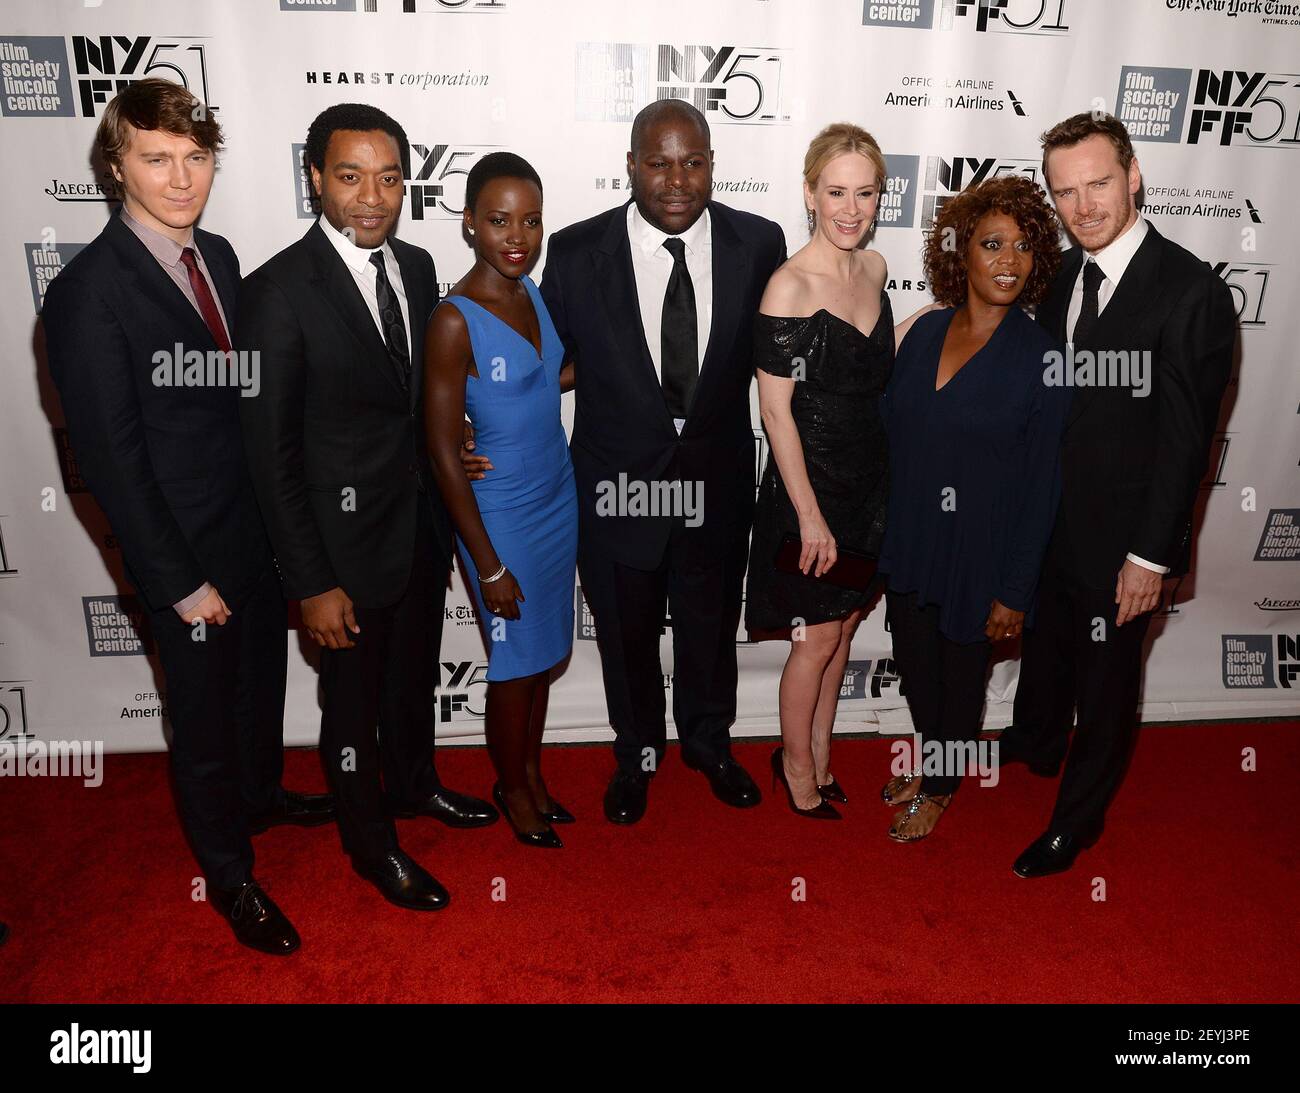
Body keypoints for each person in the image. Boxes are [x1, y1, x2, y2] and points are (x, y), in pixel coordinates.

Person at [42, 79, 334, 956]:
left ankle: (262, 795)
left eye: (195, 158)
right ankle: (231, 873)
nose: (179, 178)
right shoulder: (87, 293)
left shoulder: (224, 258)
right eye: (156, 158)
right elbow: (111, 461)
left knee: (258, 690)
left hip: (253, 534)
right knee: (202, 719)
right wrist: (177, 582)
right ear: (116, 165)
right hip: (186, 554)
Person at [238, 103, 497, 912]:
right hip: (340, 551)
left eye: (389, 178)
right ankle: (369, 843)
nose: (372, 197)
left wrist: (446, 448)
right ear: (314, 177)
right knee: (351, 711)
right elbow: (270, 454)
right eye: (350, 177)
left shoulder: (418, 267)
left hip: (420, 529)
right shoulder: (275, 292)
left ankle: (416, 786)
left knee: (412, 681)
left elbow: (408, 399)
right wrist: (310, 581)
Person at [531, 100, 786, 824]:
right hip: (617, 485)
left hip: (717, 480)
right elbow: (549, 364)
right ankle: (637, 753)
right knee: (626, 633)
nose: (677, 179)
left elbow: (787, 351)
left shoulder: (758, 243)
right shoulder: (579, 251)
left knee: (709, 628)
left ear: (711, 163)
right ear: (632, 166)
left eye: (693, 161)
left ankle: (709, 743)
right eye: (658, 162)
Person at [998, 113, 1236, 877]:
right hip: (1056, 521)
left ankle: (1077, 822)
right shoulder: (1066, 272)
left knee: (1104, 684)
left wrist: (1149, 556)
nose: (1084, 206)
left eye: (1099, 183)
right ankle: (1032, 743)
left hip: (1127, 537)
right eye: (1065, 192)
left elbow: (1186, 443)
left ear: (1133, 176)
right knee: (1047, 651)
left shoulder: (1189, 290)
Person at [877, 175, 1070, 842]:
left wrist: (1014, 590)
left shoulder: (1043, 359)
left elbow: (1044, 485)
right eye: (992, 244)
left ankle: (939, 784)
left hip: (979, 557)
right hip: (910, 541)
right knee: (919, 674)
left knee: (959, 687)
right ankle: (935, 760)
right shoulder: (926, 333)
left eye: (1022, 247)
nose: (1008, 260)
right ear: (963, 252)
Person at [745, 123, 903, 818]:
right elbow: (775, 413)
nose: (850, 208)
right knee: (813, 638)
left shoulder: (875, 269)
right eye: (835, 191)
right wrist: (809, 516)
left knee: (841, 628)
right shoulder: (788, 286)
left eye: (864, 193)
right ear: (810, 193)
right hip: (809, 487)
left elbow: (864, 367)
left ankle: (823, 750)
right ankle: (796, 767)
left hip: (869, 483)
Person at [425, 153, 577, 848]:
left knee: (542, 657)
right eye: (498, 220)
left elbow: (547, 376)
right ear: (468, 224)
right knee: (514, 665)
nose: (517, 235)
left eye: (531, 220)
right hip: (501, 514)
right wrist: (486, 565)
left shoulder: (531, 292)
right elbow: (442, 453)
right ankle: (511, 787)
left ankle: (535, 775)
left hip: (556, 496)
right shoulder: (455, 319)